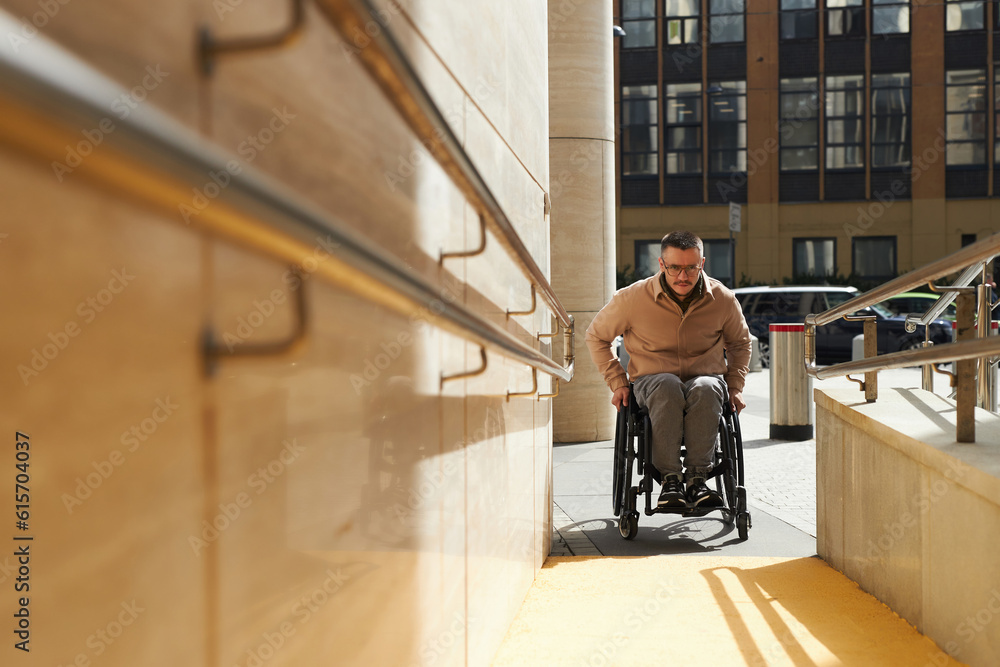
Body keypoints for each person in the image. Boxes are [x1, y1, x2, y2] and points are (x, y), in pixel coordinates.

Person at [586, 231, 752, 509]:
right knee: (666, 384)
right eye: (674, 267)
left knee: (708, 386)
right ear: (661, 264)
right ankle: (670, 480)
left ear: (702, 263)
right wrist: (617, 381)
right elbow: (596, 336)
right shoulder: (633, 298)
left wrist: (735, 387)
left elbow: (740, 343)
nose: (682, 276)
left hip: (706, 381)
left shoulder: (722, 298)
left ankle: (698, 479)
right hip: (653, 383)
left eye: (691, 267)